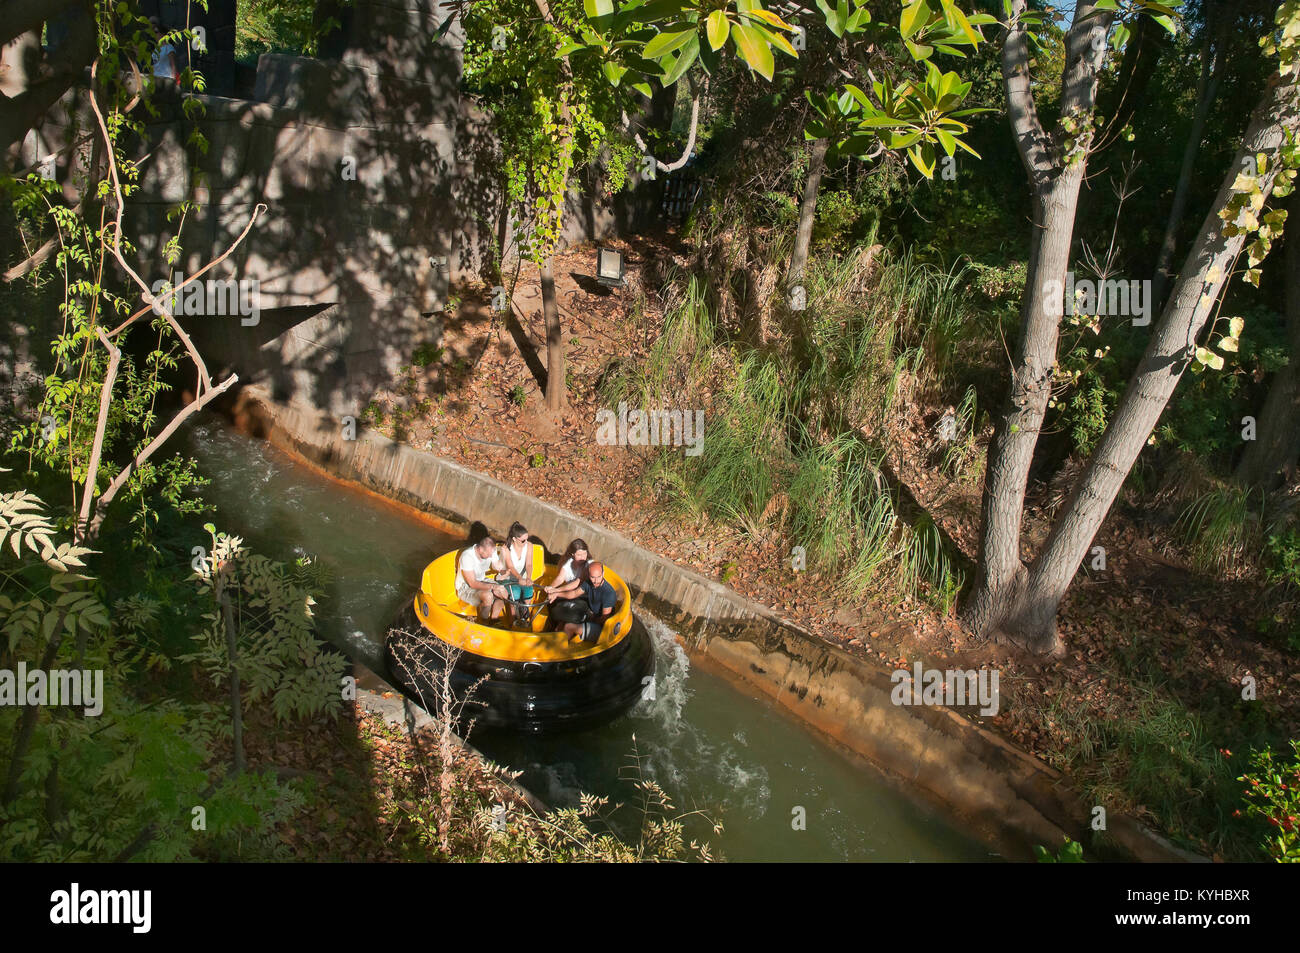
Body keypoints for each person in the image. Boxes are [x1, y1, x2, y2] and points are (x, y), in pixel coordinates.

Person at [560, 560, 618, 644]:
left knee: (569, 627)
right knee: (563, 619)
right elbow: (574, 593)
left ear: (603, 574)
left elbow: (604, 618)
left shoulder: (608, 593)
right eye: (592, 577)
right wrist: (557, 594)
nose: (595, 581)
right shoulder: (588, 583)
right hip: (592, 616)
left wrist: (589, 620)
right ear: (588, 575)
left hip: (602, 629)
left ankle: (561, 652)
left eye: (598, 577)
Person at [456, 534, 507, 621]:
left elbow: (498, 566)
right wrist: (493, 586)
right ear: (480, 549)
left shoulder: (490, 550)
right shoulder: (467, 556)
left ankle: (493, 620)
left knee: (504, 593)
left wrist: (507, 571)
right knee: (488, 596)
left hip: (482, 580)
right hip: (465, 587)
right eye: (489, 554)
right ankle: (483, 623)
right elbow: (472, 583)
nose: (491, 556)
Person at [497, 522, 536, 625]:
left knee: (529, 589)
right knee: (515, 592)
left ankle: (525, 617)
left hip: (520, 578)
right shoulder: (506, 548)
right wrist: (519, 578)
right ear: (514, 539)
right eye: (523, 540)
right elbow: (510, 566)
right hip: (507, 576)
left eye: (527, 539)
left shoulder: (529, 546)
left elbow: (529, 564)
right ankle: (512, 622)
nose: (526, 542)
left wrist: (528, 577)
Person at [543, 538, 589, 604]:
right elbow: (560, 578)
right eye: (579, 555)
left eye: (585, 553)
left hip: (582, 595)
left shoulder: (588, 564)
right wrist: (551, 587)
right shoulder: (568, 562)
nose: (583, 557)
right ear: (573, 554)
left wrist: (556, 590)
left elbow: (576, 583)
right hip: (569, 593)